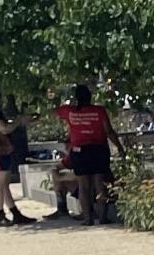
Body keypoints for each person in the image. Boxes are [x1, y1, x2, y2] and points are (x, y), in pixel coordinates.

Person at [53, 84, 127, 225]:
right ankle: (103, 217)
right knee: (100, 185)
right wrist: (119, 147)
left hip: (79, 152)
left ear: (76, 98)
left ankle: (88, 219)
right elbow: (109, 131)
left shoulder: (70, 111)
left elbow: (53, 112)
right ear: (90, 97)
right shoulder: (99, 111)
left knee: (83, 186)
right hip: (98, 150)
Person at [0, 84, 33, 228]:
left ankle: (15, 213)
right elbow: (3, 129)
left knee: (3, 184)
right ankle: (0, 215)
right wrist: (18, 121)